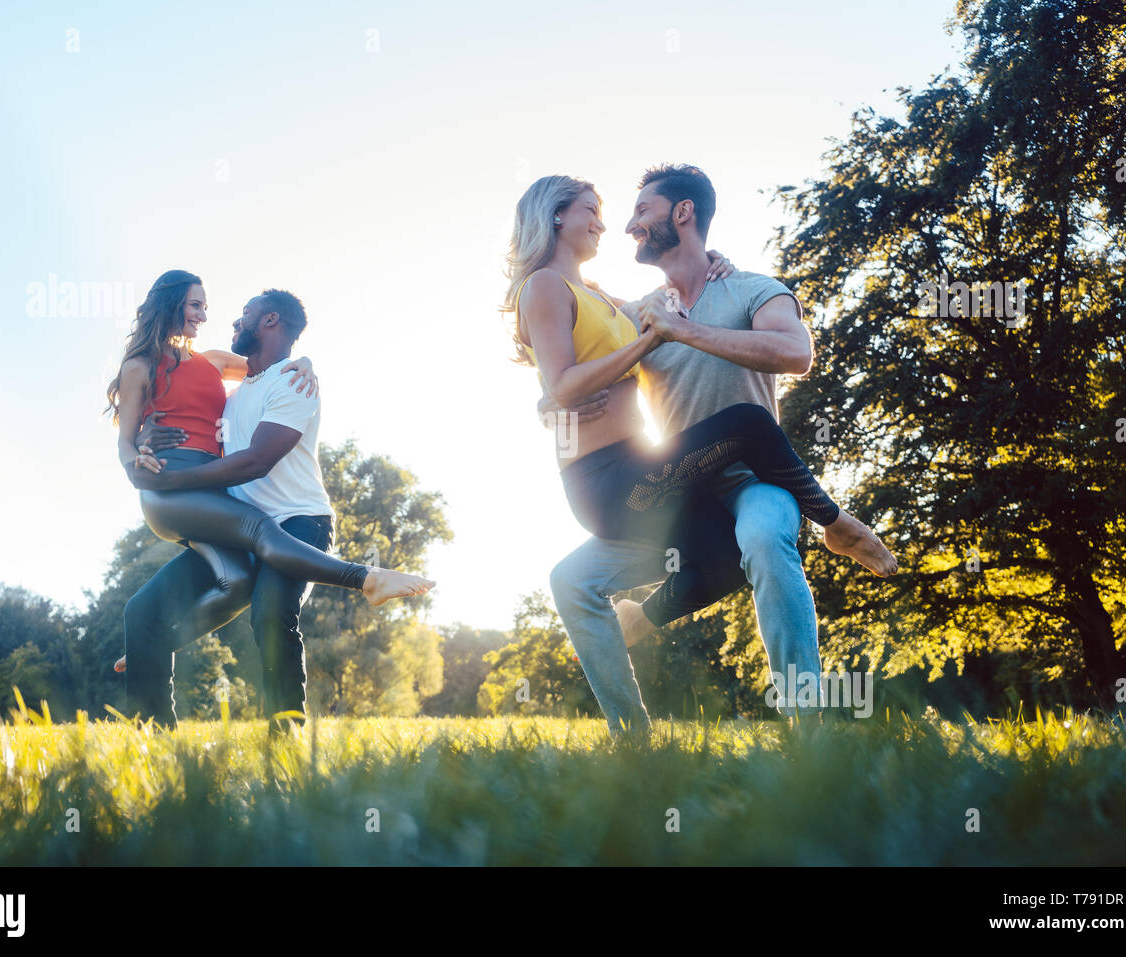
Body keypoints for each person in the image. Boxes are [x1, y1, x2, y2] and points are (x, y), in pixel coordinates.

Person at [507, 167, 897, 736]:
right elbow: (571, 356)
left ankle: (808, 725)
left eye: (643, 211)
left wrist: (684, 331)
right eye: (617, 211)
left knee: (760, 537)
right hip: (680, 488)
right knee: (573, 581)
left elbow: (795, 352)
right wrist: (550, 405)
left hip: (758, 478)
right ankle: (635, 733)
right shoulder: (640, 308)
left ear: (682, 214)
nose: (627, 224)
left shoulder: (749, 288)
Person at [106, 271, 433, 724]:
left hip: (289, 517)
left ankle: (260, 731)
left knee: (245, 595)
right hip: (205, 500)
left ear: (269, 320)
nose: (214, 317)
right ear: (171, 304)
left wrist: (307, 362)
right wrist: (140, 458)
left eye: (239, 315)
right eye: (196, 305)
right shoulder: (168, 373)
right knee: (251, 572)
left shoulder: (256, 376)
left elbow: (262, 424)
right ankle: (366, 580)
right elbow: (131, 436)